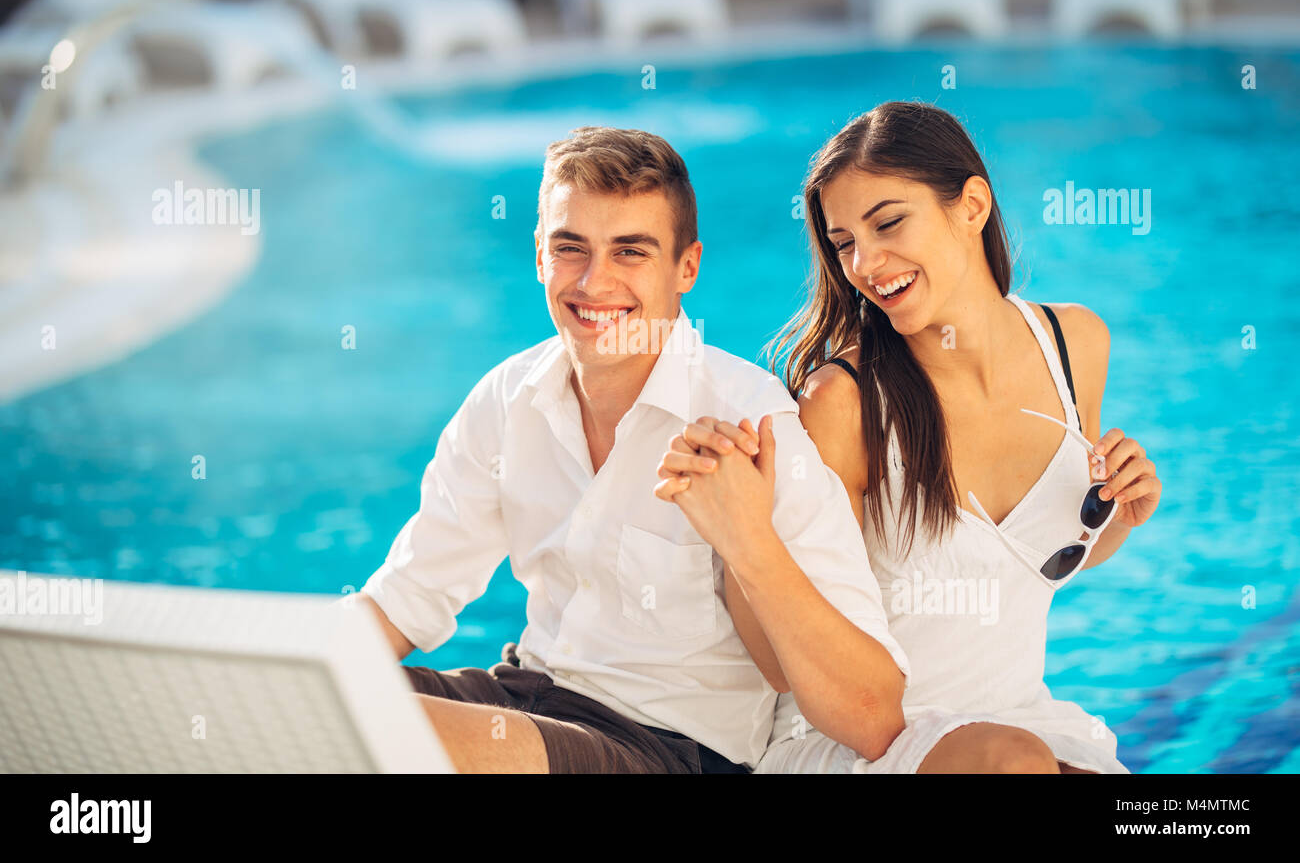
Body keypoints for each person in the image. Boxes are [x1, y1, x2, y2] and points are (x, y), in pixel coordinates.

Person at [347, 126, 910, 773]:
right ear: (539, 256)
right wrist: (275, 667)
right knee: (311, 707)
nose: (595, 280)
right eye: (570, 247)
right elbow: (404, 599)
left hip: (668, 747)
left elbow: (872, 717)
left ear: (686, 267)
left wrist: (746, 535)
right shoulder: (508, 398)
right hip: (527, 701)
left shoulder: (749, 420)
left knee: (390, 727)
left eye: (630, 252)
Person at [654, 102, 1161, 773]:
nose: (865, 262)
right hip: (866, 743)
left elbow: (1035, 564)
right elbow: (778, 664)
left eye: (888, 222)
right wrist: (740, 541)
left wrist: (1120, 518)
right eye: (843, 243)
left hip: (1019, 725)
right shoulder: (846, 404)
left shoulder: (1075, 345)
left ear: (972, 205)